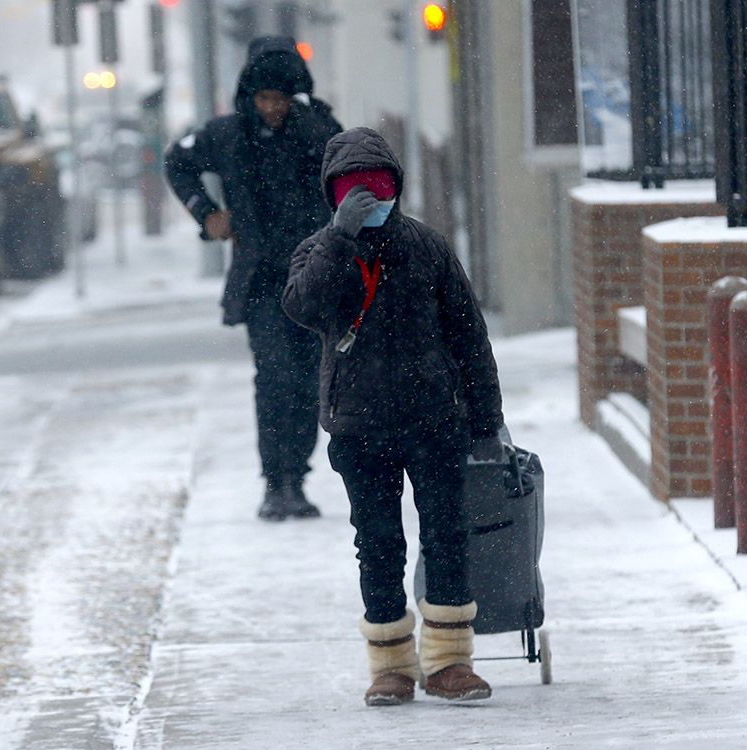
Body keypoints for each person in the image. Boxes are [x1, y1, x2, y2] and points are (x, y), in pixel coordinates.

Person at [282, 127, 506, 706]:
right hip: (359, 428)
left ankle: (450, 662)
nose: (370, 200)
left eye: (379, 188)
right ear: (333, 195)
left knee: (446, 536)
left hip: (434, 422)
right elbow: (303, 307)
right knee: (378, 542)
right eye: (355, 191)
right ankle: (391, 666)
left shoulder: (426, 247)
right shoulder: (318, 250)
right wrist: (340, 238)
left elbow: (469, 336)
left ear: (397, 188)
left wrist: (487, 419)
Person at [165, 37, 342, 521]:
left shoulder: (316, 129)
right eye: (264, 100)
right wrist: (206, 213)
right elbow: (177, 162)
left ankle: (297, 478)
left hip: (313, 275)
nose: (272, 110)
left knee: (308, 379)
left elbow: (348, 173)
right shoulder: (226, 136)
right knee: (274, 375)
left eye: (280, 100)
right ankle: (275, 479)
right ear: (250, 96)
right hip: (261, 278)